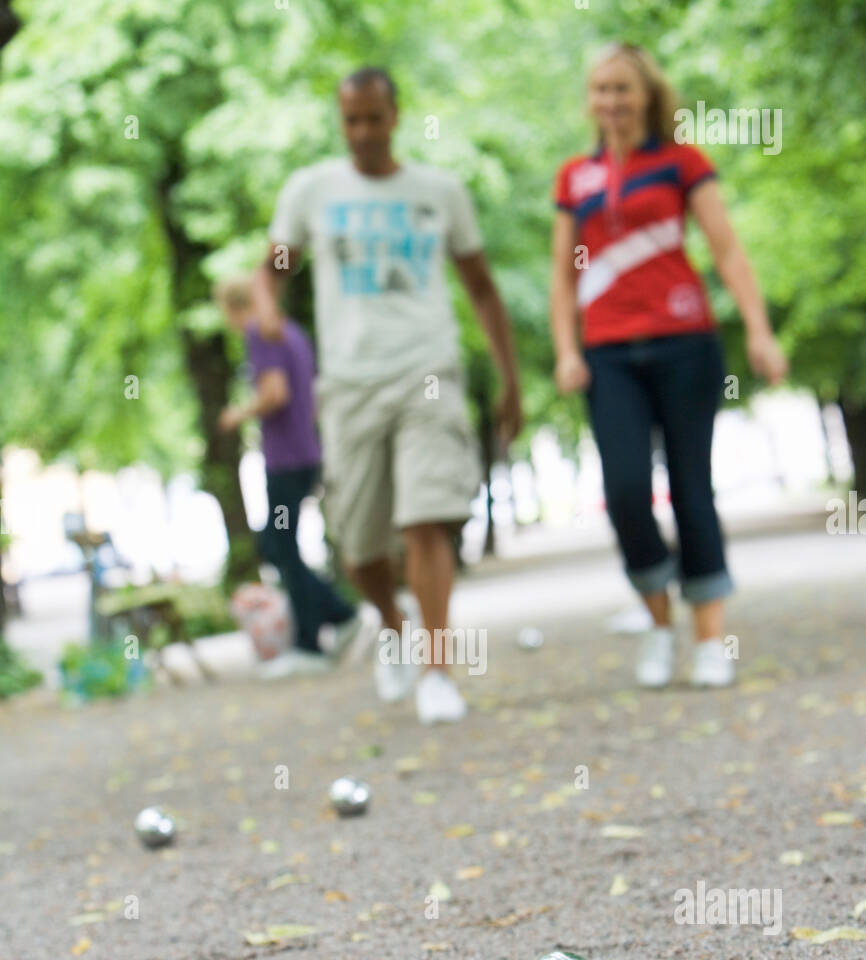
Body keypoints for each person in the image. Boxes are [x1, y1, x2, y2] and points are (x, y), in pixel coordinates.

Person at [253, 66, 522, 723]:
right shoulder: (311, 190)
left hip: (428, 369)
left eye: (374, 118)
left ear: (395, 116)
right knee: (359, 546)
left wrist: (510, 380)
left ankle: (437, 671)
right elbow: (272, 272)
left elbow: (482, 288)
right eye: (352, 120)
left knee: (424, 518)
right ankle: (393, 627)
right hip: (349, 383)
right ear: (341, 121)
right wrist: (267, 313)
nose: (363, 132)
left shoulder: (439, 192)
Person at [551, 42, 788, 689]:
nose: (611, 101)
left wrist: (760, 332)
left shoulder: (681, 163)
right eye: (600, 89)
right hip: (608, 352)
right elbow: (561, 277)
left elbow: (727, 250)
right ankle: (658, 623)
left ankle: (710, 639)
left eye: (623, 88)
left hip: (685, 342)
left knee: (691, 489)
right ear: (590, 99)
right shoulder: (576, 177)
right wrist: (568, 350)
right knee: (626, 491)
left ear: (648, 95)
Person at [216, 275, 359, 677]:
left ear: (233, 307)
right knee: (280, 543)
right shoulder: (291, 332)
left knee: (281, 545)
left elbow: (276, 393)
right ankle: (333, 616)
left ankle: (317, 636)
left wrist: (237, 413)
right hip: (305, 452)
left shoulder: (260, 335)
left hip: (286, 458)